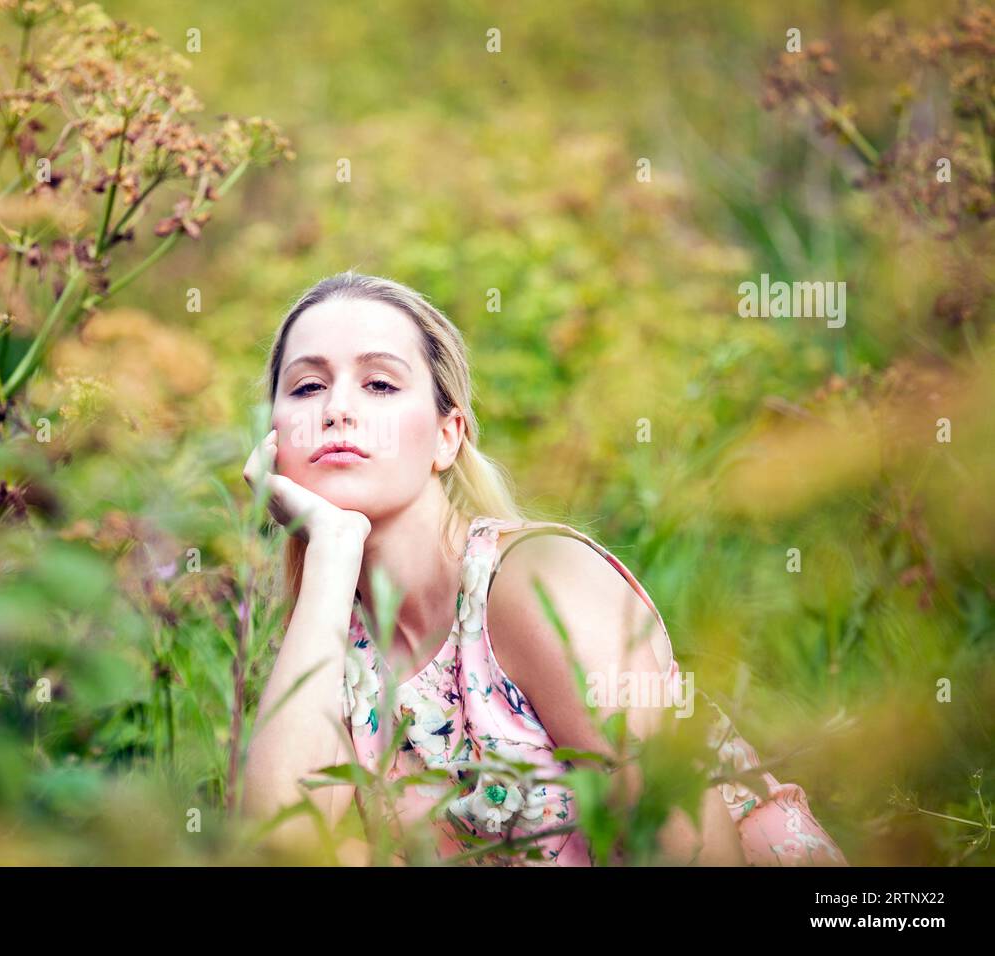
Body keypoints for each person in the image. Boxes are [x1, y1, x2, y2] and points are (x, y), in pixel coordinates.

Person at [239, 270, 847, 867]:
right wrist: (332, 550)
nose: (338, 408)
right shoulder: (331, 647)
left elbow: (691, 850)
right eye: (307, 388)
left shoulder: (535, 579)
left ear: (447, 438)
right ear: (275, 443)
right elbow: (281, 845)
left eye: (379, 384)